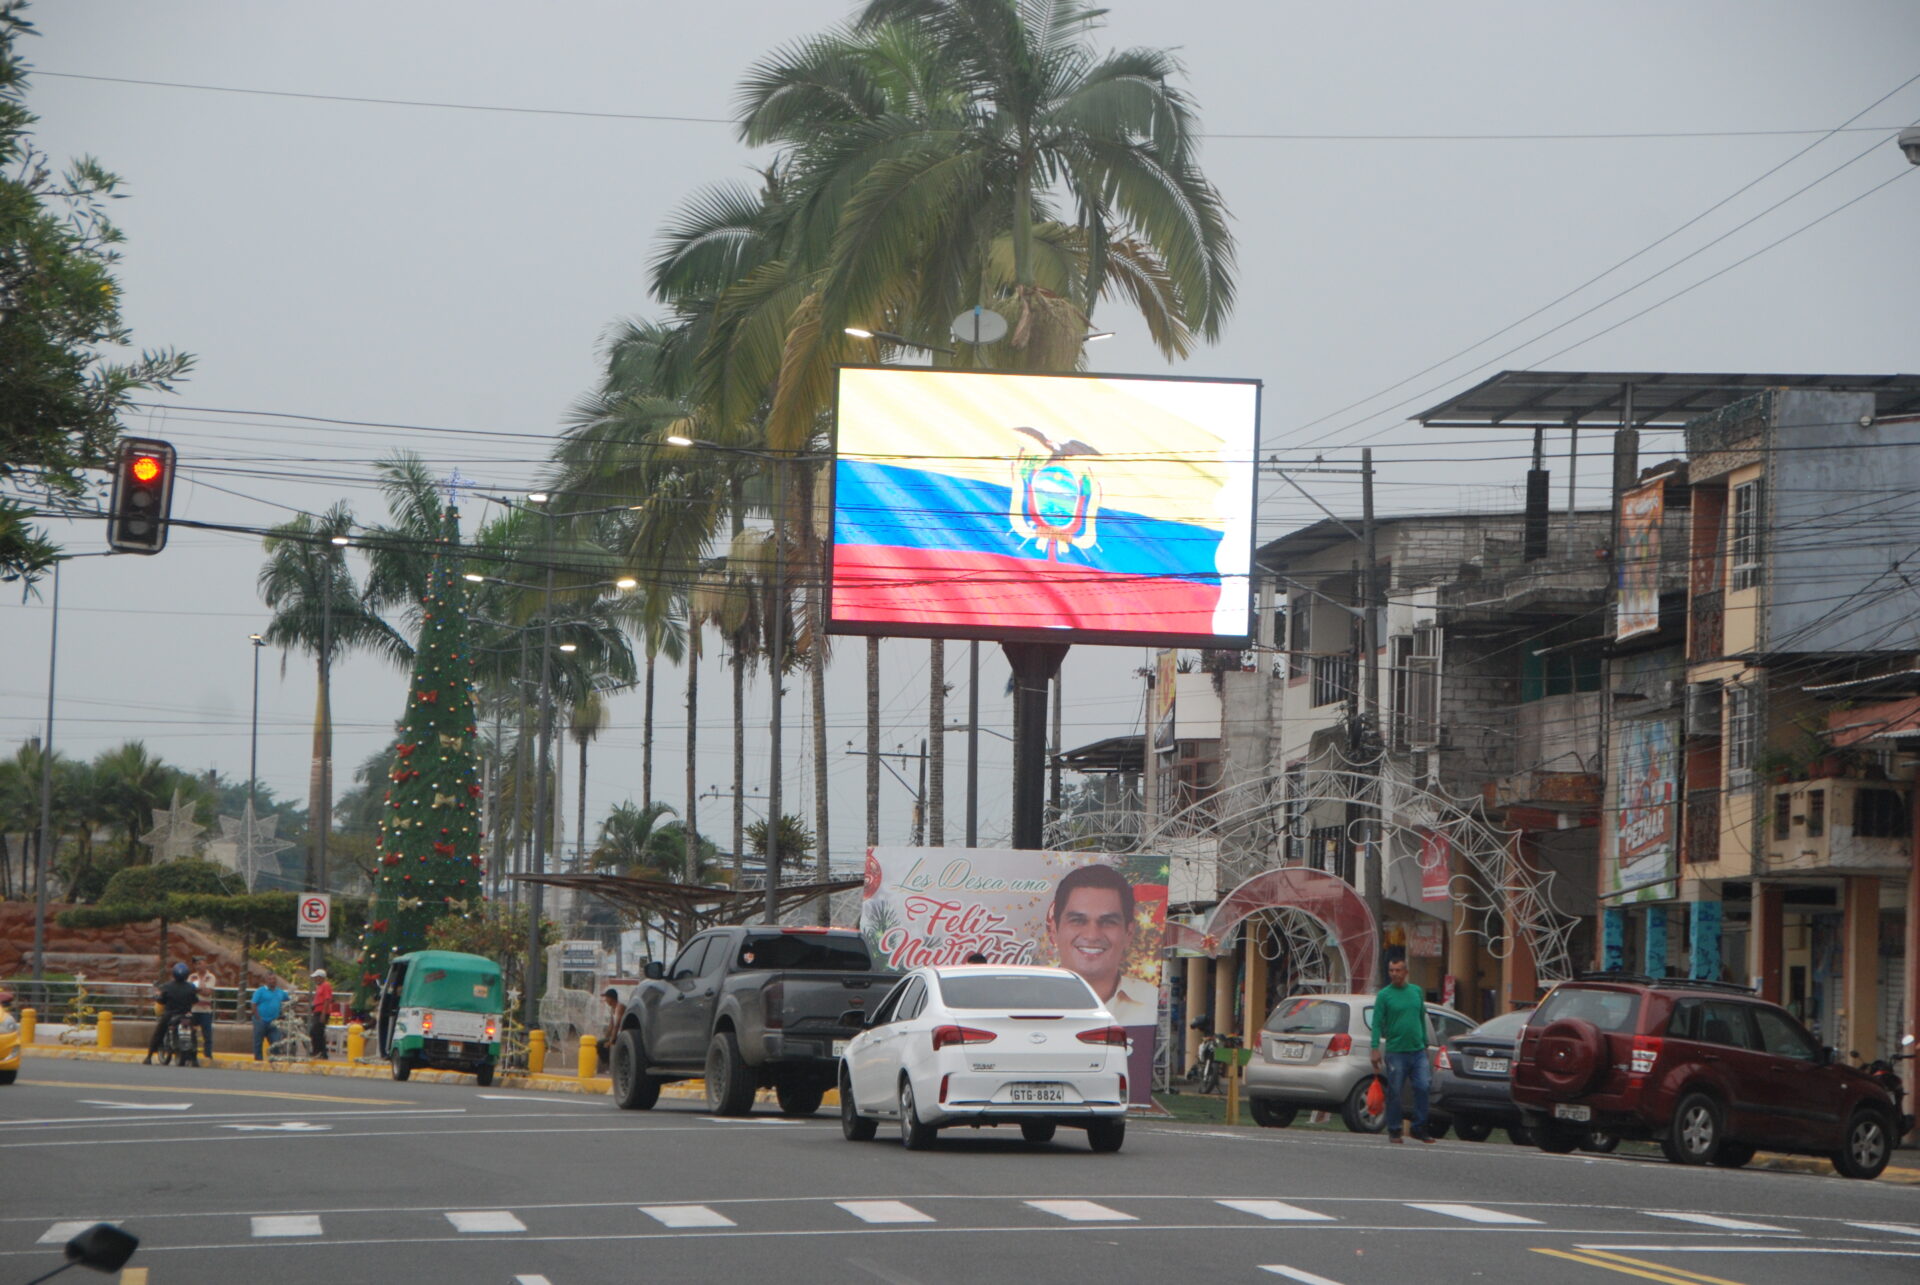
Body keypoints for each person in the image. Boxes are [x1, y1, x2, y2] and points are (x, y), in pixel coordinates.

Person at [1045, 863, 1156, 1027]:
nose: (1092, 935)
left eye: (1108, 922)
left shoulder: (1151, 1001)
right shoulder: (1025, 1002)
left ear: (1129, 933)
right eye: (1077, 921)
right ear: (1054, 930)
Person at [1368, 956, 1434, 1144]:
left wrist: (1425, 1042)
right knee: (1395, 1091)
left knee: (1423, 1086)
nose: (1394, 974)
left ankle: (1419, 1127)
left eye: (1398, 970)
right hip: (1396, 1051)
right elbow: (1376, 1024)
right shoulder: (1384, 995)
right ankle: (1394, 1129)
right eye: (1391, 970)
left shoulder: (1416, 992)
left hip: (1418, 1050)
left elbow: (1421, 1017)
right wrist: (1374, 1048)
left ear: (1406, 972)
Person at [144, 963, 200, 1064]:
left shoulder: (168, 987)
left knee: (158, 1033)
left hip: (170, 1014)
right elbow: (195, 1000)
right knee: (193, 1033)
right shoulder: (191, 987)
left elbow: (161, 1000)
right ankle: (194, 1059)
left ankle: (149, 1056)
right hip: (186, 1015)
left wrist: (158, 997)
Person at [186, 955, 218, 1062]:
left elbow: (207, 992)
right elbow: (189, 991)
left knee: (207, 1034)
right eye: (196, 964)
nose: (197, 966)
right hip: (194, 1009)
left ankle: (208, 1055)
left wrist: (197, 989)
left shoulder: (211, 977)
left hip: (205, 1010)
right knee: (191, 1033)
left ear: (205, 964)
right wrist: (199, 989)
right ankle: (191, 1053)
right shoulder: (191, 977)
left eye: (200, 963)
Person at [250, 974, 289, 1061]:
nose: (272, 981)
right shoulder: (260, 991)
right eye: (270, 979)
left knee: (275, 1042)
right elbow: (253, 1004)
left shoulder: (280, 992)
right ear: (266, 981)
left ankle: (273, 1060)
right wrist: (258, 1018)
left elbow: (289, 999)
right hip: (261, 1020)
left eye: (274, 979)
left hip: (274, 1021)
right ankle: (258, 1060)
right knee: (258, 1042)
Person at [308, 969, 334, 1060]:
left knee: (316, 1031)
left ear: (321, 977)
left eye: (316, 977)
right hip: (317, 1010)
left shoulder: (326, 985)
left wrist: (323, 1013)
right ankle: (320, 1051)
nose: (315, 979)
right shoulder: (319, 986)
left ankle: (319, 1051)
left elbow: (327, 999)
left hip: (322, 1011)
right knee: (317, 1032)